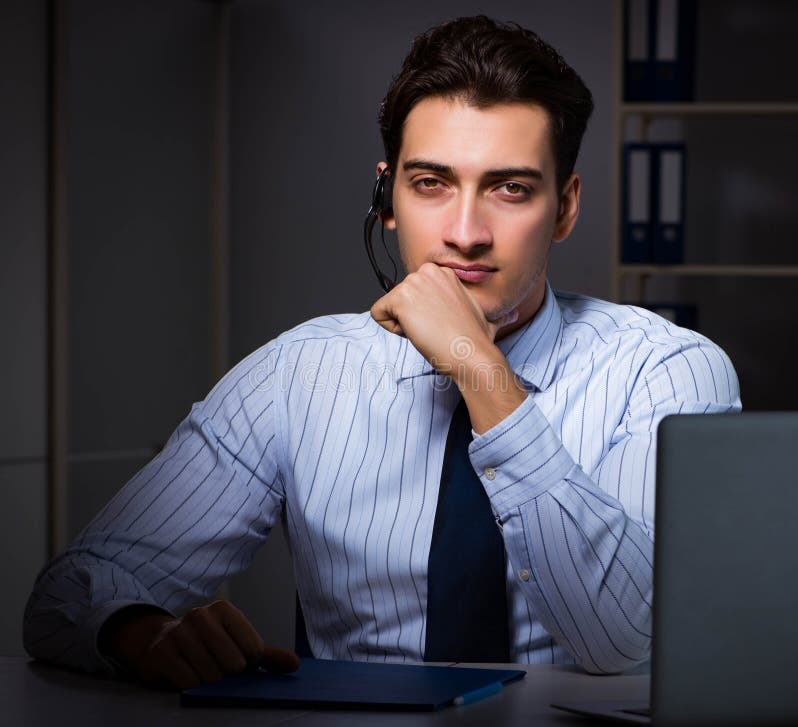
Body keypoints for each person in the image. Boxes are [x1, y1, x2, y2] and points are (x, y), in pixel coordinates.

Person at [24, 15, 740, 688]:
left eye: (510, 189)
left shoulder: (667, 369)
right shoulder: (296, 372)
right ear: (387, 198)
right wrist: (143, 633)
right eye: (431, 184)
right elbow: (63, 597)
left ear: (565, 206)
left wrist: (479, 371)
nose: (465, 231)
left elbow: (622, 640)